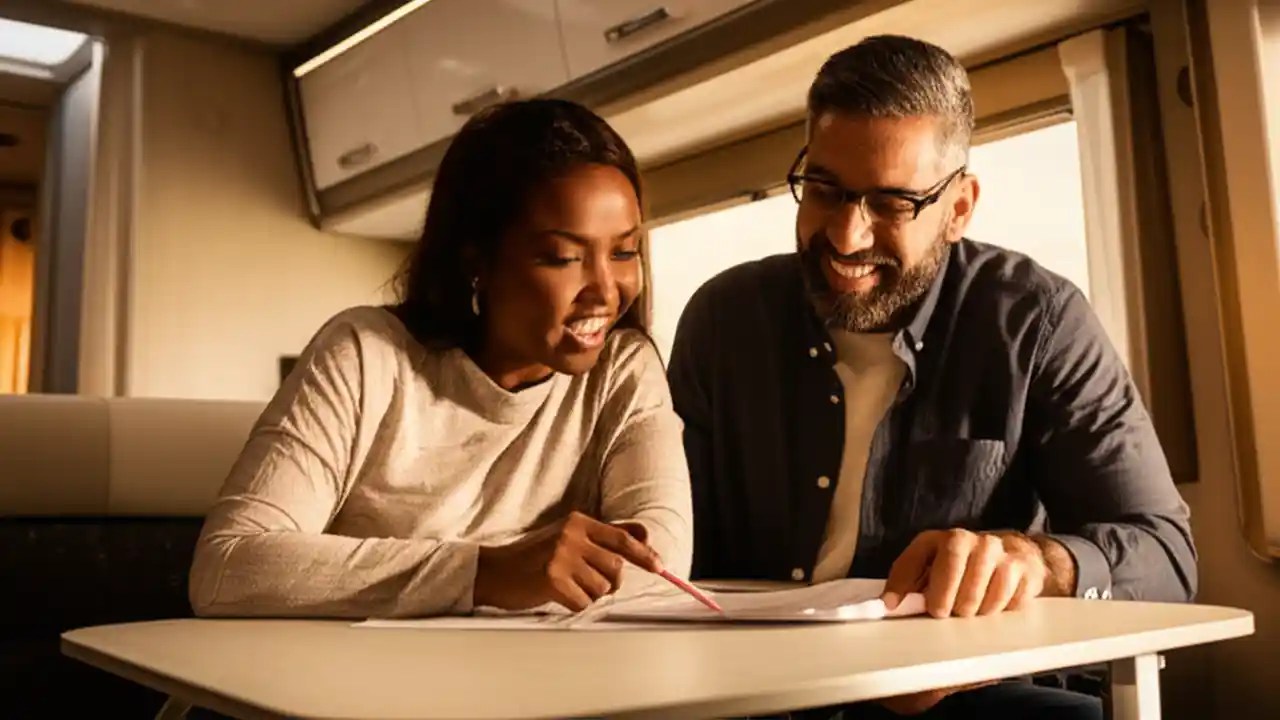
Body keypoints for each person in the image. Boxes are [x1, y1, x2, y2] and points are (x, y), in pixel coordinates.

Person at [667, 35, 1196, 719]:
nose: (847, 237)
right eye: (825, 189)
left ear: (960, 207)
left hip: (969, 691)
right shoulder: (722, 318)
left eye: (891, 204)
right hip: (758, 691)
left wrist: (1035, 564)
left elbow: (1166, 555)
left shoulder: (1038, 320)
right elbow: (676, 559)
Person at [190, 99, 692, 619]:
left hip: (542, 690)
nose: (606, 292)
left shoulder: (623, 368)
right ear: (476, 260)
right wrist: (485, 573)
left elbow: (662, 562)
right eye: (563, 257)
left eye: (624, 252)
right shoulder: (365, 355)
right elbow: (228, 566)